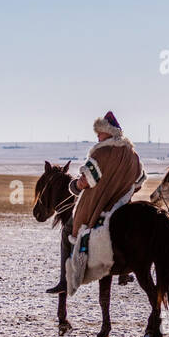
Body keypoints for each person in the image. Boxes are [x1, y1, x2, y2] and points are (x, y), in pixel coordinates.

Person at [46, 112, 144, 292]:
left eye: (100, 132)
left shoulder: (101, 152)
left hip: (98, 206)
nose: (97, 136)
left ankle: (65, 280)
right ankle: (124, 272)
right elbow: (139, 181)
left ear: (109, 131)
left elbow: (88, 180)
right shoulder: (133, 154)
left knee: (68, 230)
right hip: (120, 205)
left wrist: (75, 185)